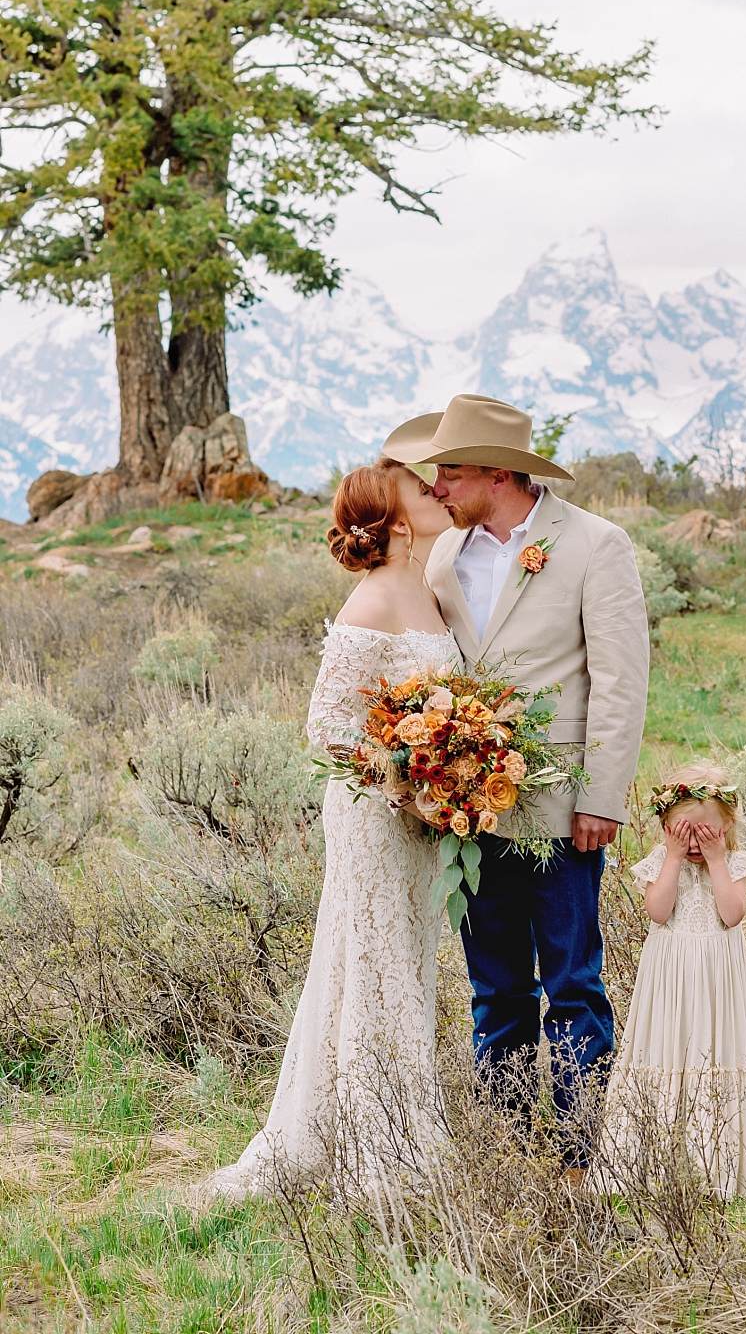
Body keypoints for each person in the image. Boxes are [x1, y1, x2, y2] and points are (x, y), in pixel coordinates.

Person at [381, 393, 649, 1177]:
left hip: (565, 808)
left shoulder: (596, 544)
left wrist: (602, 795)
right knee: (494, 988)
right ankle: (504, 1147)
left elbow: (620, 680)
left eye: (450, 472)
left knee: (573, 980)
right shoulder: (443, 556)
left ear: (498, 474)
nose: (436, 487)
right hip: (469, 810)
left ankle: (578, 1152)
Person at [207, 458, 457, 1199]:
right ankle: (380, 1149)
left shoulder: (429, 588)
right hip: (375, 812)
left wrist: (453, 776)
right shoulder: (373, 601)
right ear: (397, 517)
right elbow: (328, 727)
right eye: (422, 489)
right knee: (372, 954)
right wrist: (404, 789)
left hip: (421, 813)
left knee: (405, 952)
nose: (437, 492)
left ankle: (384, 1121)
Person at [597, 762, 746, 1201]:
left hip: (717, 978)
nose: (694, 844)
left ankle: (718, 1162)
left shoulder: (732, 863)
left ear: (726, 827)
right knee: (668, 1050)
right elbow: (658, 910)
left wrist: (716, 861)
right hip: (670, 978)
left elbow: (732, 915)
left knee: (713, 1052)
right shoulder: (663, 860)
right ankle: (659, 1155)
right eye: (684, 834)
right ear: (667, 828)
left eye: (706, 834)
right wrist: (671, 857)